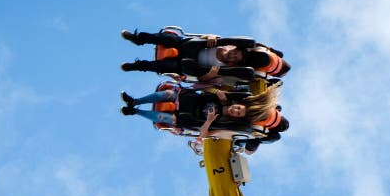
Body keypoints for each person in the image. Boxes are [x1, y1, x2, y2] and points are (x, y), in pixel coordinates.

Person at [120, 84, 281, 141]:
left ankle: (134, 111)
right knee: (168, 94)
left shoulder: (224, 123)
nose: (235, 110)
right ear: (238, 104)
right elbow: (204, 89)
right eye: (238, 108)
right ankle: (135, 101)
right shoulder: (225, 98)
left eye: (237, 113)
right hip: (190, 101)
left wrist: (209, 120)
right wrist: (216, 92)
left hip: (190, 118)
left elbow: (204, 135)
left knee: (164, 117)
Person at [120, 28, 290, 80]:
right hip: (191, 48)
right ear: (235, 48)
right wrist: (209, 37)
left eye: (235, 58)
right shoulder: (224, 43)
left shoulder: (226, 68)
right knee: (173, 40)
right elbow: (207, 38)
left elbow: (206, 80)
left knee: (170, 66)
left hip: (189, 65)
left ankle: (136, 66)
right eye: (235, 53)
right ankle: (138, 38)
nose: (232, 56)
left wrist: (211, 74)